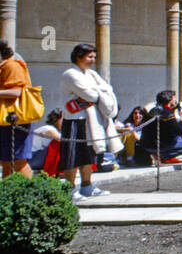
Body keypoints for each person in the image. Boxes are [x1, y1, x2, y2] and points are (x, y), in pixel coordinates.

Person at [58, 43, 119, 201]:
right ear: (79, 57)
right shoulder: (70, 74)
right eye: (89, 56)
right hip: (74, 120)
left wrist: (98, 92)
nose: (93, 60)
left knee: (88, 155)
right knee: (72, 155)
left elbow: (106, 88)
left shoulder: (91, 74)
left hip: (92, 120)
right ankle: (70, 189)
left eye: (94, 57)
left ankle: (87, 185)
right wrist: (98, 92)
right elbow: (92, 96)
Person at [0, 39, 36, 178]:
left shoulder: (11, 66)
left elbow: (17, 91)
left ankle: (27, 194)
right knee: (6, 161)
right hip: (5, 119)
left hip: (17, 118)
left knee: (18, 161)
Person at [141, 90, 182, 164]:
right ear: (170, 100)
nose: (175, 101)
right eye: (174, 98)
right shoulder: (168, 113)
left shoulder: (153, 110)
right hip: (158, 146)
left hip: (146, 144)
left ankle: (160, 155)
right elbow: (179, 131)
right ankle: (164, 156)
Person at [30, 109, 63, 175]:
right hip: (33, 158)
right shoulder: (49, 129)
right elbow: (63, 140)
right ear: (59, 120)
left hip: (35, 157)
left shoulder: (50, 129)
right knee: (57, 144)